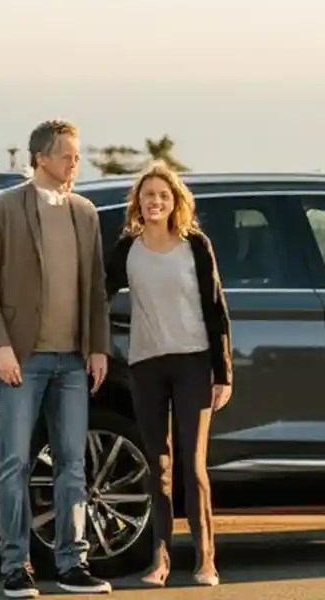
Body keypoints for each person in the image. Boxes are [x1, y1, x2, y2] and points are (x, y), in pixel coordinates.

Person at [0, 119, 113, 598]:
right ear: (41, 158)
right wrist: (0, 344)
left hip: (73, 360)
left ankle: (73, 564)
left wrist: (97, 347)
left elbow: (95, 287)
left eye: (77, 155)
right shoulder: (3, 208)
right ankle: (16, 567)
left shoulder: (85, 212)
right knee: (14, 463)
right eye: (69, 155)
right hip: (20, 360)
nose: (76, 163)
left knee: (74, 463)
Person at [105, 161, 233, 588]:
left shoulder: (194, 244)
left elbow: (216, 309)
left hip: (193, 361)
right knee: (158, 464)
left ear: (175, 201)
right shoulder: (128, 248)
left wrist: (223, 373)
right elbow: (97, 294)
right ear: (137, 203)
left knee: (192, 465)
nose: (155, 202)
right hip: (146, 364)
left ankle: (206, 559)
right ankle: (159, 560)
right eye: (147, 196)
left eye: (163, 195)